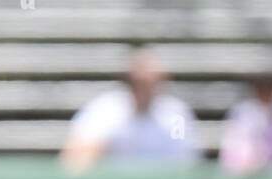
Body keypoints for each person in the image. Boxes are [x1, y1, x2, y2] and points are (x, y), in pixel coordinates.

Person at [60, 47, 198, 171]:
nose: (146, 88)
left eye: (152, 81)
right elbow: (76, 160)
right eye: (138, 81)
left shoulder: (176, 115)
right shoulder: (104, 109)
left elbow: (184, 159)